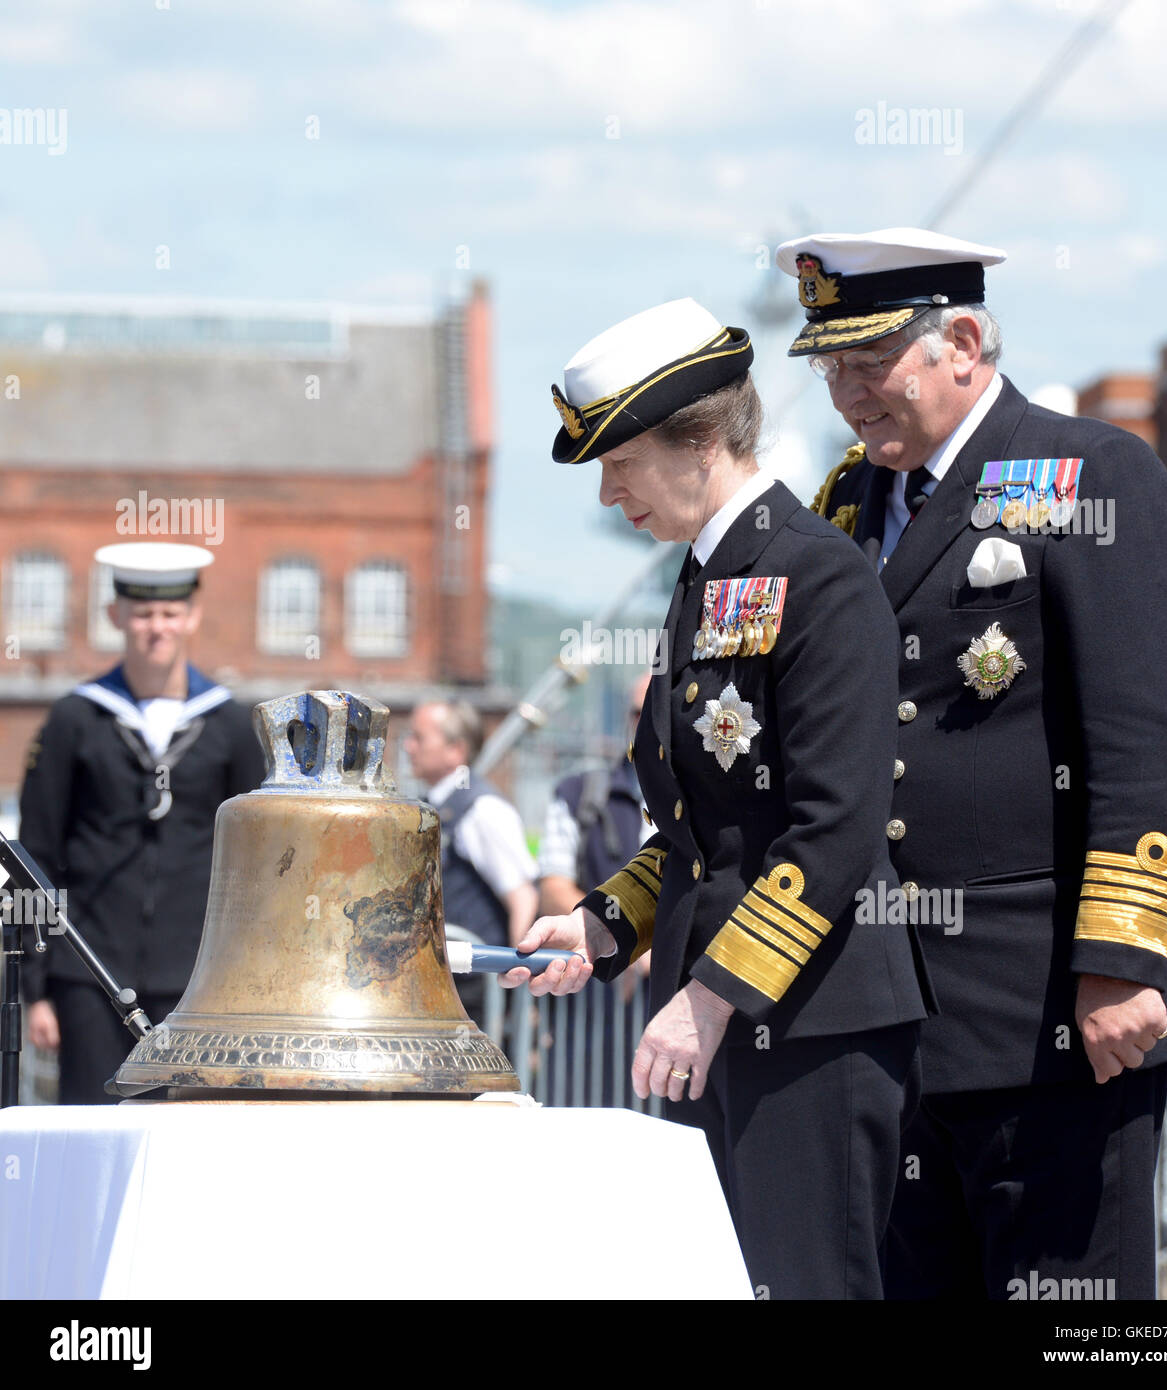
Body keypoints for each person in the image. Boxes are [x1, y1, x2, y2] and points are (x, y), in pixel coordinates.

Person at [779, 226, 1167, 1299]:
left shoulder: (1087, 473)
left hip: (1053, 1013)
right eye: (830, 367)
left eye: (868, 363)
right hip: (885, 1012)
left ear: (964, 342)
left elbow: (1142, 736)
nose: (847, 393)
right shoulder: (850, 501)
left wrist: (1121, 957)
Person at [503, 297, 932, 1298]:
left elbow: (832, 829)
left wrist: (711, 992)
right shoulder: (707, 580)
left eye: (620, 466)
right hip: (726, 1020)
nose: (611, 498)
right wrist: (604, 924)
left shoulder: (816, 574)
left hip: (812, 1021)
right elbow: (705, 831)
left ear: (697, 444)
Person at [21, 542, 266, 1103]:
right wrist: (37, 987)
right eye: (142, 613)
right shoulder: (75, 719)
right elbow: (36, 852)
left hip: (200, 978)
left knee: (188, 1137)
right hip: (88, 973)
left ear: (192, 616)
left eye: (170, 613)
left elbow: (255, 859)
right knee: (91, 1127)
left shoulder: (228, 724)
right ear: (116, 616)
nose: (157, 627)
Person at [537, 672, 653, 1106]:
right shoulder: (579, 793)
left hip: (678, 1012)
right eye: (638, 712)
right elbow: (552, 888)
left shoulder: (705, 803)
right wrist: (623, 941)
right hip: (593, 1009)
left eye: (656, 711)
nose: (646, 723)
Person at [406, 700, 538, 1027]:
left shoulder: (483, 809)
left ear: (455, 749)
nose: (408, 747)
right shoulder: (435, 805)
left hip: (472, 993)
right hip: (444, 986)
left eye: (419, 738)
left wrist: (516, 990)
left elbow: (523, 896)